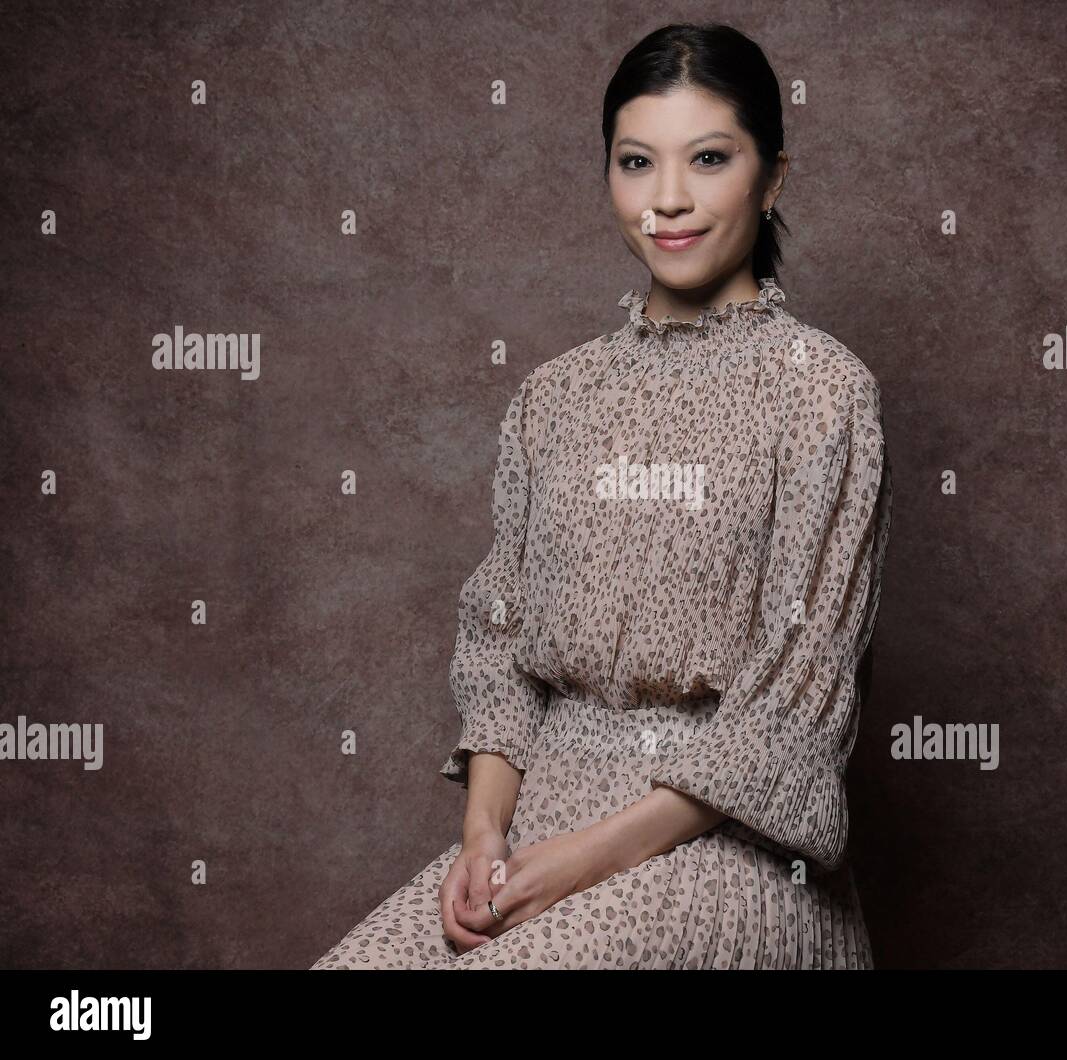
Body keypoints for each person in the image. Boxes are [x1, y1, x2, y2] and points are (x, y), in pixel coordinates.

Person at [311, 21, 893, 970]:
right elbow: (500, 651)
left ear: (773, 177)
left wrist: (576, 864)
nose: (668, 200)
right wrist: (484, 837)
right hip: (539, 824)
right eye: (636, 162)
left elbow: (799, 704)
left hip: (720, 844)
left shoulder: (821, 392)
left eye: (709, 158)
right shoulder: (552, 397)